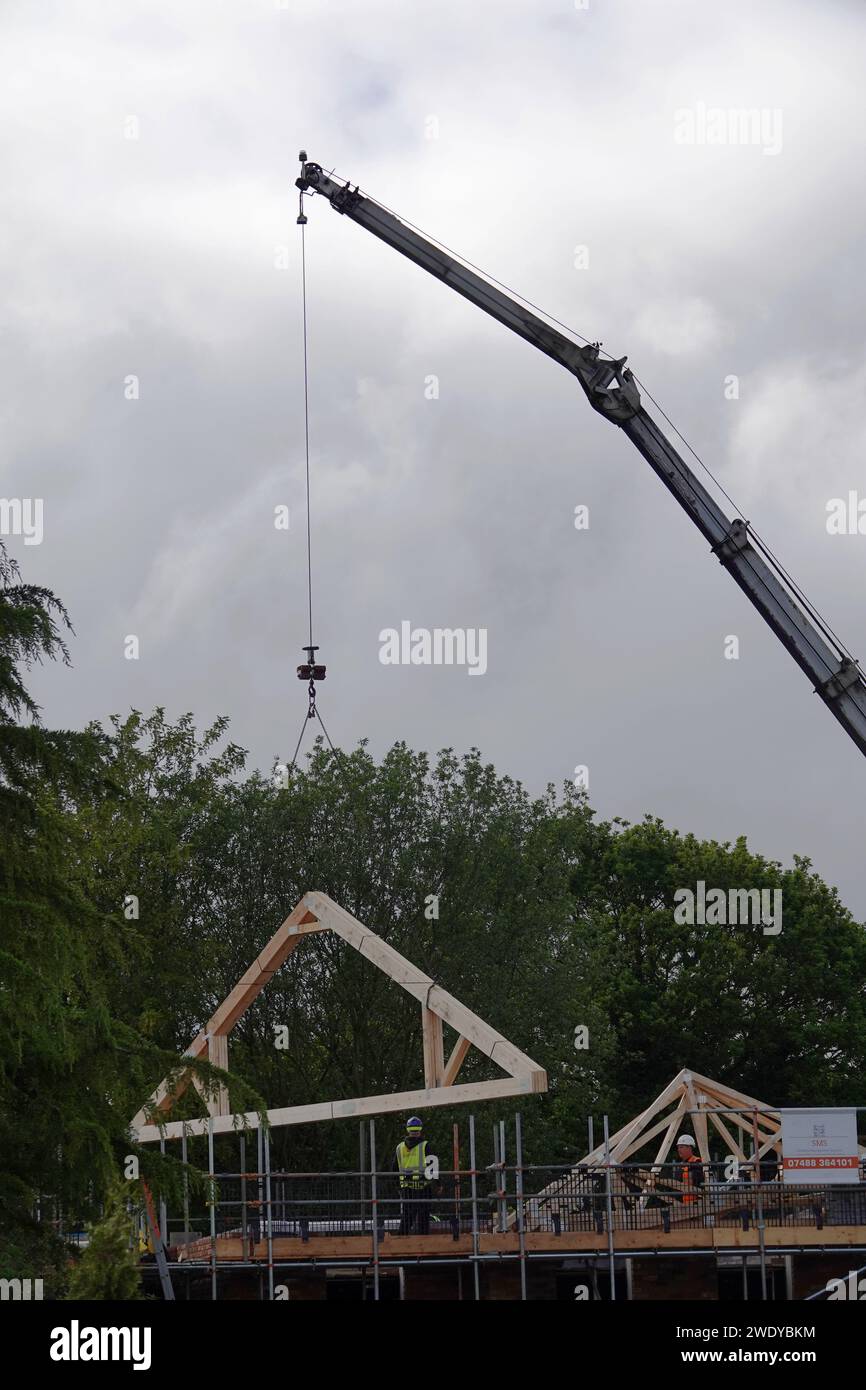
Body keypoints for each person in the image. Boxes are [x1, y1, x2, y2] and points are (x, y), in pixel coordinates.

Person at [394, 1116, 433, 1235]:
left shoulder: (399, 1147)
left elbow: (393, 1169)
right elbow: (433, 1166)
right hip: (423, 1187)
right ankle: (424, 1246)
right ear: (420, 1129)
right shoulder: (426, 1145)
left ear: (408, 1130)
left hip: (407, 1189)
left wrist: (398, 1187)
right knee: (423, 1219)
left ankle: (400, 1245)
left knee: (407, 1218)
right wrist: (438, 1184)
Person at [675, 1135, 705, 1206]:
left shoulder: (696, 1162)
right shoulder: (682, 1164)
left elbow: (697, 1181)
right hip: (683, 1203)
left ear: (689, 1148)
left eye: (681, 1147)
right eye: (678, 1147)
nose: (679, 1150)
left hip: (695, 1203)